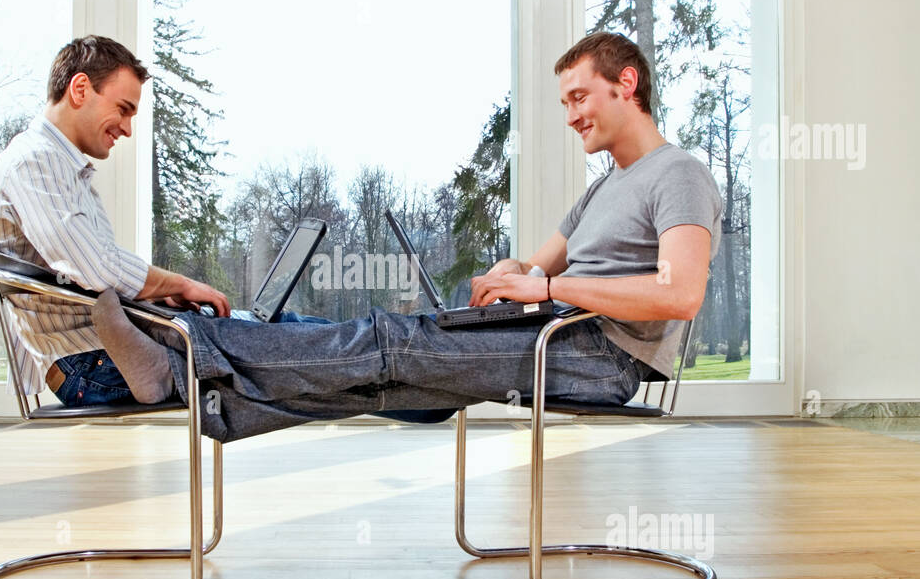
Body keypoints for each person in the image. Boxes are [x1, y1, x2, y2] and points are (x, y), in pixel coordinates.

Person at [89, 31, 723, 442]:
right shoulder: (605, 184)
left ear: (627, 84)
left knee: (389, 344)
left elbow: (679, 296)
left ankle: (187, 350)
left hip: (601, 356)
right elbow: (538, 263)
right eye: (564, 102)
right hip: (557, 331)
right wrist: (512, 273)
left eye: (579, 97)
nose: (571, 114)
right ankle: (205, 392)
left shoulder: (679, 173)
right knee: (395, 387)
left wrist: (547, 284)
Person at [0, 36, 230, 409]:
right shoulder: (33, 163)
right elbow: (98, 268)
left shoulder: (62, 167)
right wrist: (180, 283)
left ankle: (336, 343)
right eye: (124, 109)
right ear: (80, 88)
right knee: (242, 358)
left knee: (256, 333)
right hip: (88, 361)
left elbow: (96, 269)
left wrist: (154, 291)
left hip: (96, 347)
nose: (128, 129)